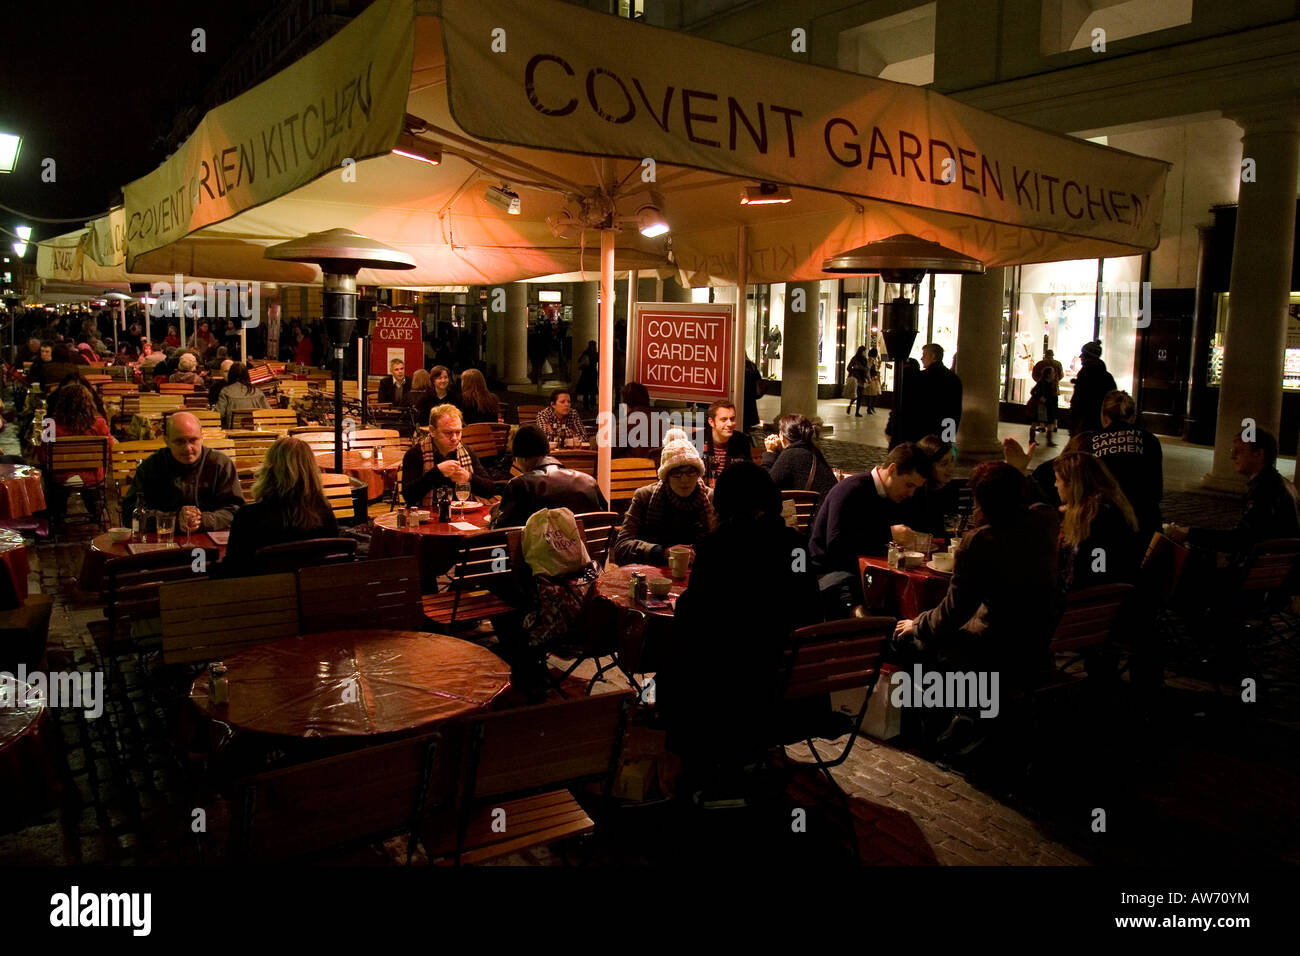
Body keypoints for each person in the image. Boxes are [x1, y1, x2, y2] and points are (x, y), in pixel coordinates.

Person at [660, 462, 821, 785]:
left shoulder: (718, 548)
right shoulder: (794, 545)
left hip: (730, 691)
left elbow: (694, 617)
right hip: (794, 697)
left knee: (675, 656)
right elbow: (810, 608)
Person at [891, 462, 1061, 730]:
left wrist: (918, 623)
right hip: (1036, 639)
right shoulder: (1045, 520)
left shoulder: (981, 540)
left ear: (982, 499)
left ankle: (941, 724)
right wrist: (1022, 467)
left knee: (908, 642)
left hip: (994, 645)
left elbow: (954, 611)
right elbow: (1042, 500)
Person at [810, 442, 930, 615]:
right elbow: (836, 547)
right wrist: (888, 535)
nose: (911, 493)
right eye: (909, 485)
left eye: (916, 488)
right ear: (892, 469)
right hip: (832, 575)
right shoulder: (851, 490)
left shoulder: (893, 496)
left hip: (869, 573)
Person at [1166, 430, 1300, 560]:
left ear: (1258, 454)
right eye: (1233, 450)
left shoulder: (1266, 489)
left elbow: (1241, 539)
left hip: (1266, 567)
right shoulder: (1280, 483)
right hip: (1276, 562)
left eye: (1240, 451)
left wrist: (1189, 533)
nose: (1233, 456)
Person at [219, 437, 339, 577]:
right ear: (312, 470)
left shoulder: (248, 516)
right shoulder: (324, 512)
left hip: (263, 594)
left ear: (269, 469)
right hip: (313, 593)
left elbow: (233, 569)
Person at [122, 412, 244, 532]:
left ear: (202, 438)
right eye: (179, 441)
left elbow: (236, 509)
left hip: (209, 542)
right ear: (166, 441)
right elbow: (130, 513)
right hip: (164, 542)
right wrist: (172, 520)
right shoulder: (151, 466)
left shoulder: (220, 464)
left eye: (193, 440)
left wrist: (203, 520)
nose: (187, 448)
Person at [612, 435, 717, 565]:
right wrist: (661, 552)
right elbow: (621, 548)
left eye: (690, 472)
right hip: (654, 574)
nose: (684, 480)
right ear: (666, 476)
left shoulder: (710, 499)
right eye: (677, 473)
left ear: (699, 473)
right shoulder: (645, 497)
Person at [1079, 390, 1163, 542]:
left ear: (1104, 417)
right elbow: (1156, 490)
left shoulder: (1090, 442)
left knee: (1101, 564)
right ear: (1132, 417)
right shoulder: (1150, 440)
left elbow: (1083, 486)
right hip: (1143, 520)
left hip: (1102, 522)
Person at [1053, 452, 1141, 591]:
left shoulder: (1098, 518)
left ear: (1072, 483)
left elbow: (1098, 572)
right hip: (1101, 596)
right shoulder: (1106, 505)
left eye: (1058, 480)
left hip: (1092, 601)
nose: (1055, 485)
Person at [491, 425, 607, 528]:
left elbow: (501, 531)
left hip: (542, 552)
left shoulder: (520, 485)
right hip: (590, 550)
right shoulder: (589, 481)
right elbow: (606, 518)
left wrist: (495, 512)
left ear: (523, 458)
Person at [401, 404, 499, 508]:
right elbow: (409, 496)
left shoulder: (467, 452)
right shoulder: (415, 454)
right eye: (448, 433)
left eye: (458, 432)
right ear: (432, 431)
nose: (454, 438)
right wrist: (437, 472)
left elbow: (490, 490)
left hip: (461, 515)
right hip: (427, 516)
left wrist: (468, 478)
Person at [45, 382, 115, 518]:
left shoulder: (50, 424)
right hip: (93, 476)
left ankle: (56, 516)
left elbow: (43, 457)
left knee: (51, 485)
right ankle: (96, 513)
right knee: (92, 489)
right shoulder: (99, 423)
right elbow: (110, 451)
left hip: (60, 477)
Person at [760, 413, 837, 516]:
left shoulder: (791, 455)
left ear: (782, 437)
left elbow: (764, 486)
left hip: (810, 523)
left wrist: (770, 452)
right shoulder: (813, 451)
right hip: (827, 515)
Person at [901, 436, 962, 538]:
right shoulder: (912, 491)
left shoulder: (951, 489)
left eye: (952, 460)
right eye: (944, 464)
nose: (951, 468)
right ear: (927, 465)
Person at [916, 343, 962, 441]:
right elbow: (956, 408)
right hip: (948, 428)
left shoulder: (923, 377)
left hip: (926, 430)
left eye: (924, 355)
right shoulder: (953, 378)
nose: (921, 358)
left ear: (933, 357)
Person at [1069, 340, 1117, 435]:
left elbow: (1078, 401)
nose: (1080, 356)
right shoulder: (1107, 377)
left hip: (1085, 425)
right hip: (1101, 424)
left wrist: (1073, 421)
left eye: (1083, 354)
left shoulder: (1085, 375)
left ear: (1088, 356)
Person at [702, 400, 753, 486]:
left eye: (732, 419)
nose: (730, 424)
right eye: (724, 419)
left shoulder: (741, 440)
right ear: (711, 422)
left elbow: (748, 473)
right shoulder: (699, 438)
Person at [214, 362, 270, 429]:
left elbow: (217, 415)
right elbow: (268, 413)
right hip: (256, 432)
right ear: (247, 375)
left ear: (230, 375)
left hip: (233, 434)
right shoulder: (257, 392)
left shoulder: (226, 392)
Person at [885, 357, 923, 448]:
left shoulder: (904, 381)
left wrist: (890, 429)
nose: (922, 358)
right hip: (918, 430)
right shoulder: (922, 380)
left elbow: (898, 408)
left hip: (902, 429)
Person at [1030, 349, 1063, 446]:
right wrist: (1055, 381)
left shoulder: (1040, 364)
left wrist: (1039, 380)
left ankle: (1039, 430)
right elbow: (1061, 375)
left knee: (1037, 419)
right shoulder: (1057, 364)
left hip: (1042, 399)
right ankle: (1050, 435)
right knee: (1052, 416)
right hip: (1053, 392)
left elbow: (1034, 374)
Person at [742, 354, 763, 432]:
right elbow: (758, 381)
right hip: (750, 398)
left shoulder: (735, 364)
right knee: (747, 425)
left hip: (741, 395)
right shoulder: (751, 365)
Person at [575, 340, 598, 411]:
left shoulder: (586, 353)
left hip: (586, 372)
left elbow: (579, 360)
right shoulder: (596, 354)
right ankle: (592, 404)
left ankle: (586, 405)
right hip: (593, 372)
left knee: (586, 389)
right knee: (592, 388)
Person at [847, 346, 869, 416]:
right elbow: (848, 367)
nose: (865, 353)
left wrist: (859, 368)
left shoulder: (864, 359)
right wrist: (854, 370)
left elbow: (866, 369)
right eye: (864, 351)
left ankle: (856, 411)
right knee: (857, 395)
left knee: (859, 396)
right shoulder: (855, 358)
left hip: (861, 379)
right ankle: (852, 406)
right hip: (856, 379)